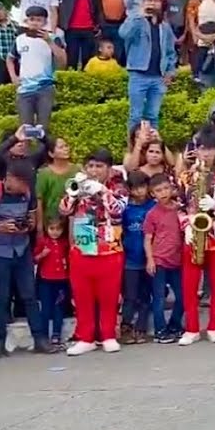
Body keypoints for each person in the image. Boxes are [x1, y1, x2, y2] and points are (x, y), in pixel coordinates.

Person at [59, 148, 127, 355]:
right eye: (90, 166)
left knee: (108, 296)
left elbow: (118, 211)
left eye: (99, 166)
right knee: (82, 297)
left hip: (109, 250)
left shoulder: (118, 187)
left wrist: (102, 191)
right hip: (81, 250)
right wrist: (73, 193)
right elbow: (63, 210)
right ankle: (85, 337)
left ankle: (108, 335)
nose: (94, 170)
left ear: (108, 169)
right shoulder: (79, 186)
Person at [176, 130, 215, 345]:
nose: (206, 153)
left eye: (210, 149)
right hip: (193, 235)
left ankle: (214, 326)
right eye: (202, 148)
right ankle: (191, 328)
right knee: (189, 284)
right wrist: (187, 226)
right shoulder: (185, 176)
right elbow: (179, 205)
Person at [0, 160, 48, 359]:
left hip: (22, 250)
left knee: (30, 295)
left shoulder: (28, 195)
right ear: (11, 179)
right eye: (23, 184)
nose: (25, 189)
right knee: (0, 298)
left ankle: (40, 339)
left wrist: (27, 226)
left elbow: (31, 220)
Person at [121, 0, 177, 132]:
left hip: (158, 77)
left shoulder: (165, 27)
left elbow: (171, 51)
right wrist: (138, 15)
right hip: (138, 74)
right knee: (136, 116)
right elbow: (123, 33)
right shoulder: (137, 21)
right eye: (149, 0)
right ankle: (133, 149)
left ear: (160, 4)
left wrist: (170, 71)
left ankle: (153, 151)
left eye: (155, 0)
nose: (152, 3)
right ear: (143, 3)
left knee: (153, 116)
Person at [8, 6, 67, 129]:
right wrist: (13, 76)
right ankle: (28, 148)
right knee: (25, 128)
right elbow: (10, 58)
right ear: (26, 21)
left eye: (39, 20)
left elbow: (63, 61)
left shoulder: (54, 38)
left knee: (43, 128)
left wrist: (49, 42)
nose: (35, 23)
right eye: (32, 19)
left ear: (45, 22)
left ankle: (43, 148)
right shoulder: (20, 39)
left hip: (45, 88)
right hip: (24, 89)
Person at [144, 173, 185, 342]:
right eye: (158, 190)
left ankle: (174, 325)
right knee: (159, 298)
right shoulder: (152, 214)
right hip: (159, 260)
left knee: (182, 296)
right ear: (152, 193)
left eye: (166, 188)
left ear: (172, 188)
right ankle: (160, 330)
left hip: (177, 260)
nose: (163, 193)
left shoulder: (179, 209)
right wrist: (150, 259)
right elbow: (147, 239)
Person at [119, 170, 155, 344]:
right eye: (135, 188)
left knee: (145, 296)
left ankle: (141, 328)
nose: (139, 191)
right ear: (129, 189)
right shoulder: (125, 210)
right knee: (130, 297)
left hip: (150, 260)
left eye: (142, 187)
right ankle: (126, 328)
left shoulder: (153, 207)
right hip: (130, 261)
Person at [53, 0, 102, 70]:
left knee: (87, 59)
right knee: (72, 59)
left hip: (89, 28)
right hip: (71, 28)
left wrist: (98, 25)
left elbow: (98, 7)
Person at [33, 217, 70, 350]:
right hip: (45, 280)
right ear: (46, 229)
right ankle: (43, 336)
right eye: (52, 229)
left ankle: (56, 335)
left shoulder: (64, 243)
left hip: (61, 279)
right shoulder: (43, 242)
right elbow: (34, 259)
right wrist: (43, 254)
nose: (55, 232)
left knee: (58, 308)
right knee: (45, 309)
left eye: (58, 229)